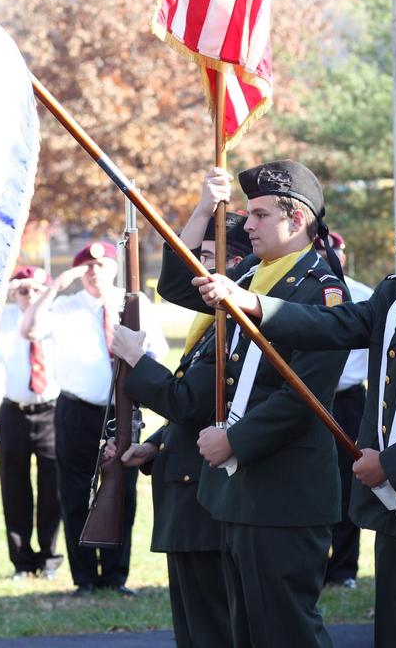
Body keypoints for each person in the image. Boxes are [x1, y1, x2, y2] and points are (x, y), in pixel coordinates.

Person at [197, 177, 396, 648]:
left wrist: (388, 463)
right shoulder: (395, 291)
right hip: (395, 501)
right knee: (393, 632)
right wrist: (252, 303)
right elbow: (334, 324)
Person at [156, 161, 349, 648]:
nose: (247, 226)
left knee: (285, 630)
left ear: (297, 219)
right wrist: (203, 209)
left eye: (260, 215)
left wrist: (233, 440)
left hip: (284, 491)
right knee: (247, 631)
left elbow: (303, 396)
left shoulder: (322, 290)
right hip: (238, 491)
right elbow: (177, 286)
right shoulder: (250, 272)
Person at [104, 212, 252, 648]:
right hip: (185, 494)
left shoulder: (232, 327)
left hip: (205, 498)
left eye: (207, 258)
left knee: (212, 629)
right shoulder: (212, 322)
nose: (198, 269)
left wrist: (138, 361)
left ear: (238, 265)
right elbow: (192, 412)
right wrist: (155, 445)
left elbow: (189, 402)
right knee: (193, 628)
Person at [31, 240, 168, 597]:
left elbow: (156, 352)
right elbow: (30, 330)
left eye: (102, 265)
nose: (95, 273)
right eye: (88, 268)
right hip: (76, 410)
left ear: (116, 268)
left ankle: (115, 575)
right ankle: (85, 578)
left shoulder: (135, 304)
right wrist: (54, 288)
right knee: (75, 492)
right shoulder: (64, 306)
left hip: (123, 410)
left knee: (122, 490)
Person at [0, 265, 63, 581]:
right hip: (14, 411)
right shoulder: (1, 323)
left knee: (53, 487)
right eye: (23, 291)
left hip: (51, 411)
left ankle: (49, 557)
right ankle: (22, 561)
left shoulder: (57, 320)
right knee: (14, 488)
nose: (30, 296)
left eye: (37, 290)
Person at [316, 230, 372, 591]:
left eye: (331, 254)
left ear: (343, 256)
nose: (326, 260)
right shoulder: (306, 292)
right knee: (313, 481)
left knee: (349, 483)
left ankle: (344, 567)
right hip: (309, 398)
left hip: (347, 399)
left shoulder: (362, 295)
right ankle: (315, 562)